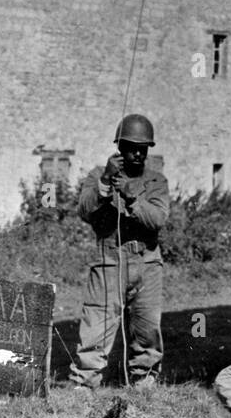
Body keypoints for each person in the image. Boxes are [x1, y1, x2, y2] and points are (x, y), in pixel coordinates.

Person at [70, 113, 169, 389]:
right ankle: (85, 383)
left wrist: (130, 195)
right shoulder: (97, 177)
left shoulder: (156, 182)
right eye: (131, 148)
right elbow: (85, 211)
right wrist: (105, 182)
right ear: (120, 148)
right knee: (96, 324)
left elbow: (157, 219)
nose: (137, 154)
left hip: (147, 263)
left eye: (143, 149)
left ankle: (144, 382)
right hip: (109, 261)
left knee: (147, 327)